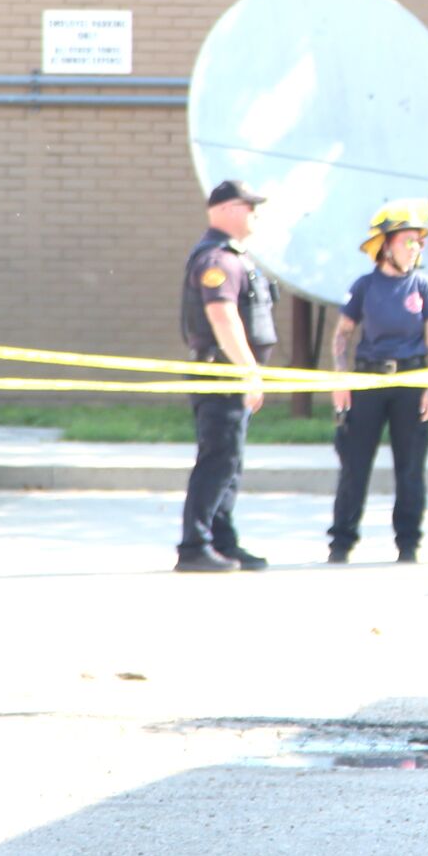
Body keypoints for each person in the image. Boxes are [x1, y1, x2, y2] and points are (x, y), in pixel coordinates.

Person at [326, 200, 428, 564]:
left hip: (411, 381)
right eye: (409, 240)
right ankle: (341, 542)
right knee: (354, 464)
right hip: (367, 380)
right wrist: (340, 376)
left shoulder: (425, 287)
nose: (416, 248)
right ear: (386, 244)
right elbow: (342, 335)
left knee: (410, 466)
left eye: (419, 242)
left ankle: (408, 543)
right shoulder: (364, 286)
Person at [176, 179, 277, 573]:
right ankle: (194, 545)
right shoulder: (217, 260)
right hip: (221, 376)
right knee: (218, 460)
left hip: (229, 376)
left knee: (229, 462)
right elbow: (222, 316)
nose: (255, 213)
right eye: (249, 206)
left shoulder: (234, 256)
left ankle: (222, 541)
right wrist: (248, 371)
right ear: (229, 209)